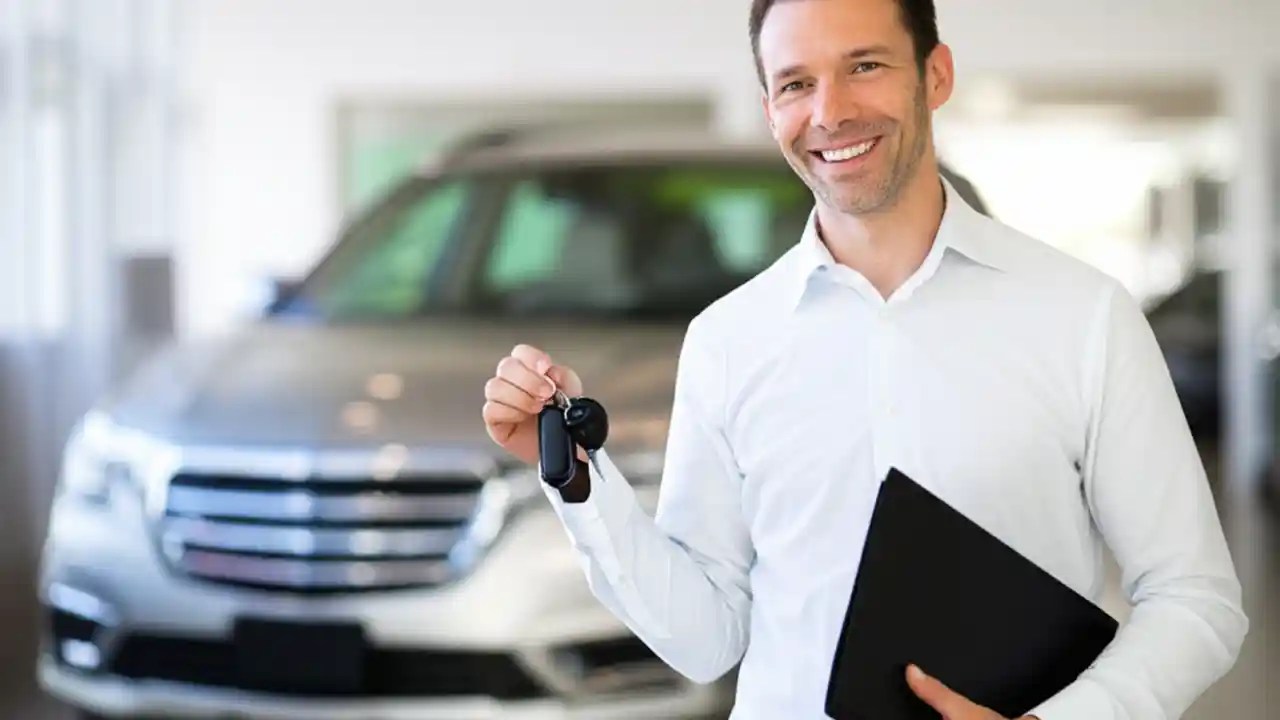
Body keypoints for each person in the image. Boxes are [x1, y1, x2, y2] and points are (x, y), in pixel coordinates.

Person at [480, 0, 1249, 717]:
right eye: (796, 83)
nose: (830, 111)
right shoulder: (727, 340)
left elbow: (1196, 598)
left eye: (865, 66)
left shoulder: (1084, 316)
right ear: (770, 109)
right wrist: (579, 482)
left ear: (935, 75)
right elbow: (705, 640)